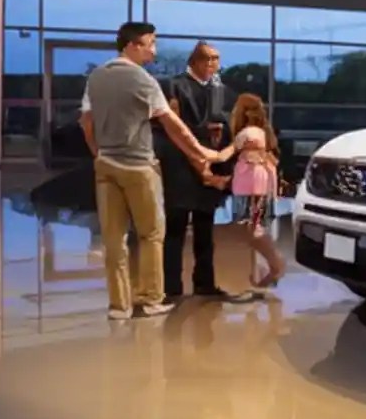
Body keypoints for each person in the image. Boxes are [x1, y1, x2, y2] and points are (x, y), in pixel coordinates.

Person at [80, 22, 229, 320]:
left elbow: (86, 122)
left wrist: (99, 153)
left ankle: (119, 306)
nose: (154, 50)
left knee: (114, 239)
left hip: (106, 165)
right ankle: (150, 300)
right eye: (151, 43)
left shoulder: (96, 76)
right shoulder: (143, 79)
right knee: (151, 234)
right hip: (138, 165)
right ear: (133, 45)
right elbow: (173, 126)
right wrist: (203, 153)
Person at [156, 41, 250, 302]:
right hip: (180, 167)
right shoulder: (173, 86)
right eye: (206, 58)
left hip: (213, 166)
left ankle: (205, 284)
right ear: (193, 60)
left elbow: (231, 126)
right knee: (175, 229)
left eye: (215, 58)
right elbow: (172, 128)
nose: (211, 63)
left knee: (205, 229)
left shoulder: (223, 91)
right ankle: (171, 287)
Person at [204, 93, 287, 291]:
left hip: (250, 184)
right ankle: (272, 268)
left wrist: (196, 150)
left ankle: (276, 263)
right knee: (253, 228)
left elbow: (222, 156)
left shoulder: (247, 133)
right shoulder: (261, 133)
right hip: (259, 182)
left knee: (252, 229)